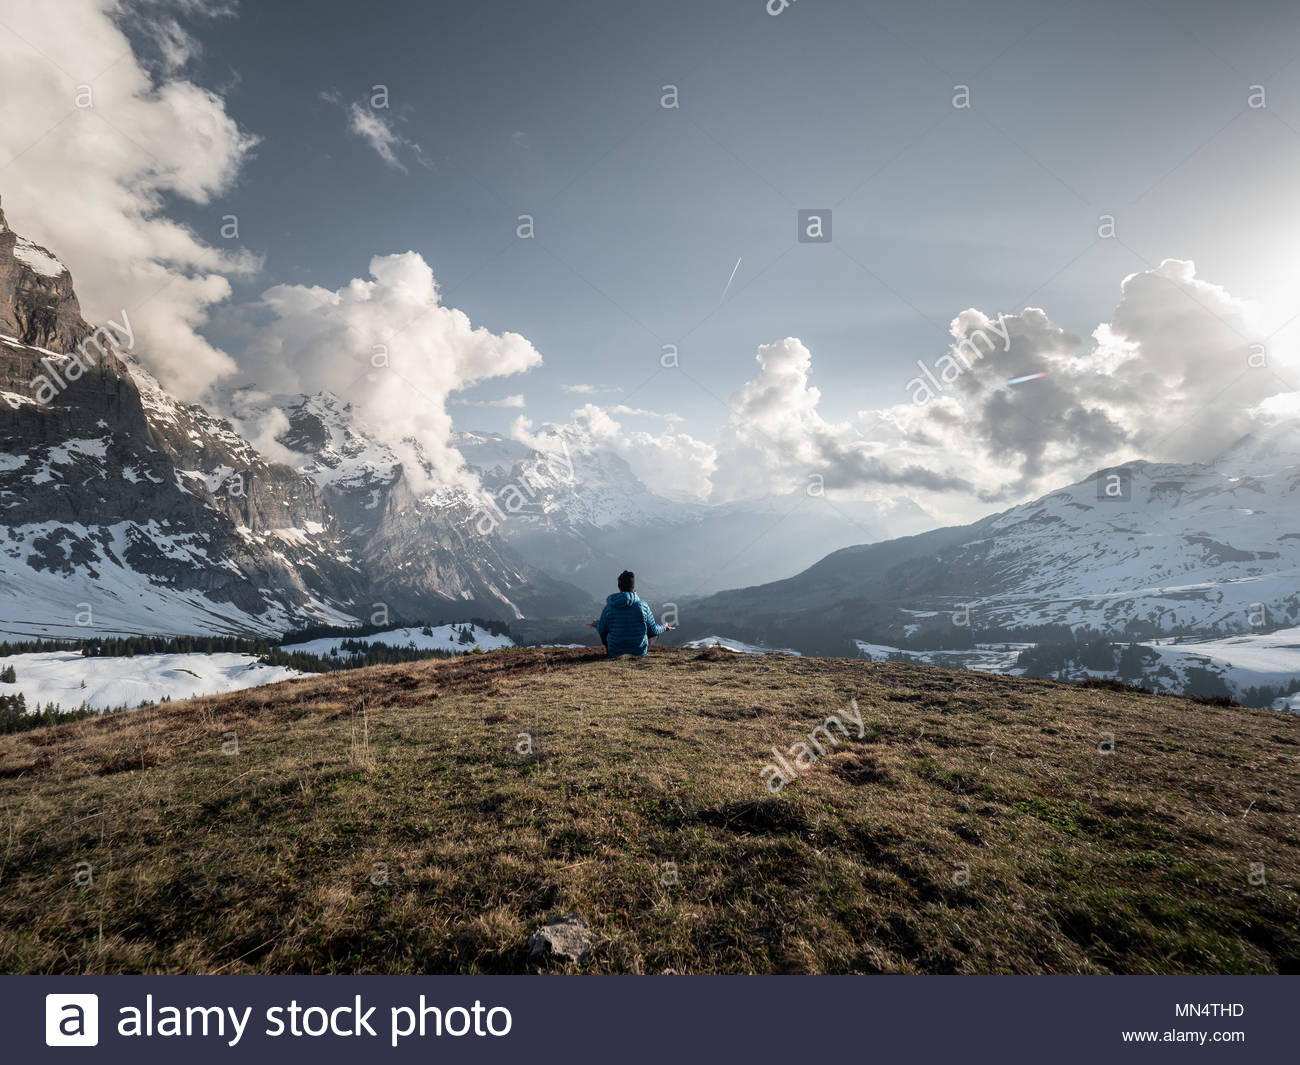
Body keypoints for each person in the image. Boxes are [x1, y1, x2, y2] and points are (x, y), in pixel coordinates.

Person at [589, 570, 674, 658]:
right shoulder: (643, 606)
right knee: (654, 632)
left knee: (605, 631)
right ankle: (638, 649)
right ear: (633, 587)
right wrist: (664, 627)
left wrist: (596, 624)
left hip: (614, 652)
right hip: (638, 652)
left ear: (619, 587)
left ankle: (612, 650)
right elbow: (653, 630)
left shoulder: (609, 607)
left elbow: (602, 628)